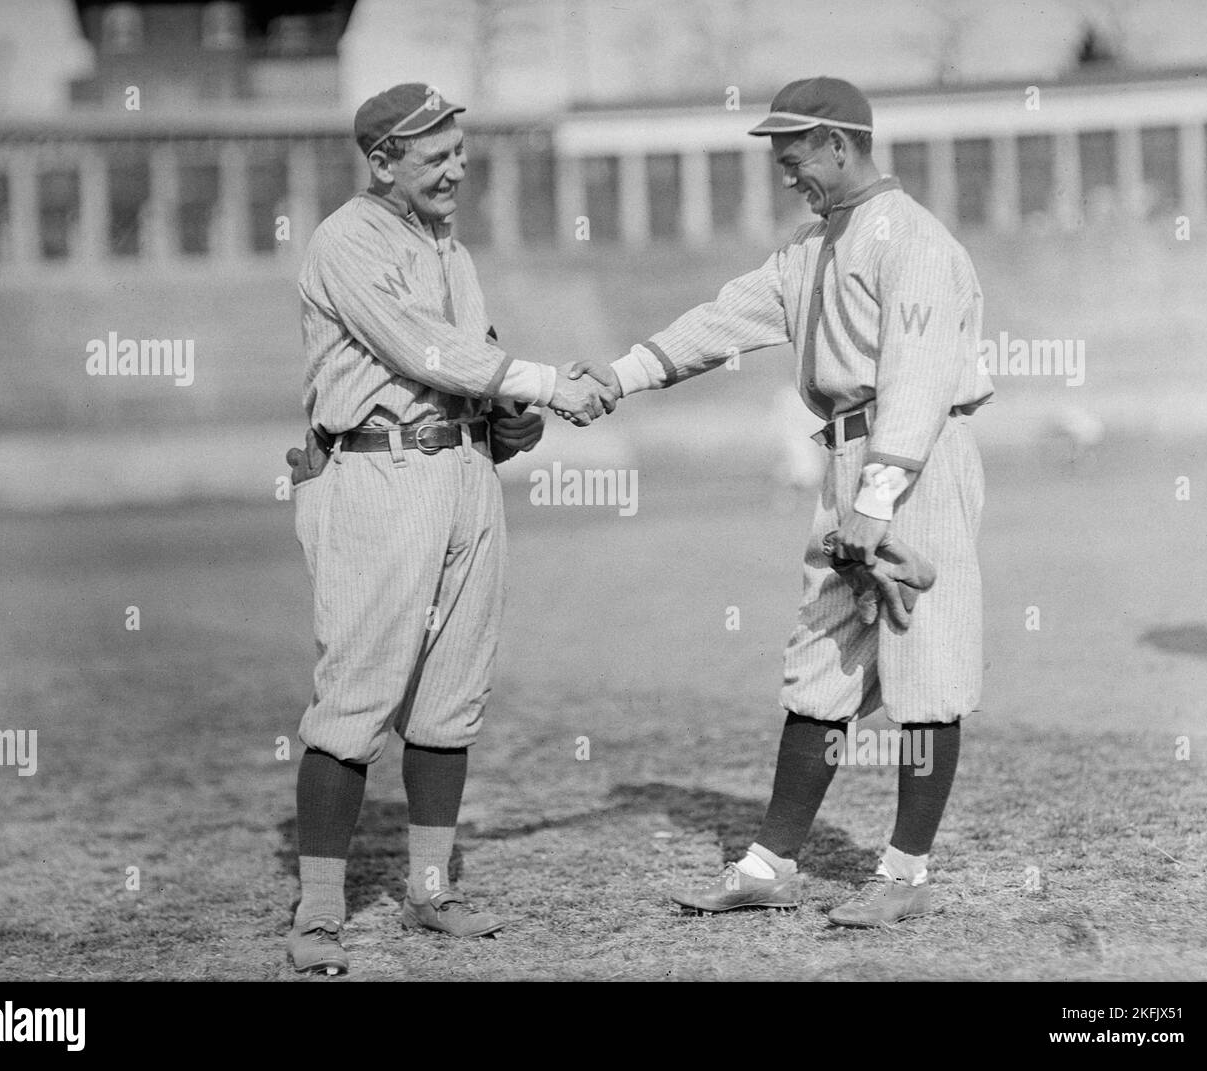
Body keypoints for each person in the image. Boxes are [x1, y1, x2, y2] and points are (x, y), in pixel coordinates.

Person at [570, 76, 994, 927]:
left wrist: (878, 501)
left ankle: (905, 874)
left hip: (913, 462)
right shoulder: (812, 246)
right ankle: (771, 863)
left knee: (924, 668)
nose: (787, 173)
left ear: (840, 143)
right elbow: (724, 318)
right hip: (847, 461)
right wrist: (616, 378)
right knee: (820, 664)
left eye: (795, 157)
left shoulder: (912, 239)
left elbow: (914, 382)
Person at [284, 82, 614, 974]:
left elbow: (473, 361)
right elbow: (420, 351)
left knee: (453, 688)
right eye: (436, 158)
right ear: (382, 161)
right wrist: (544, 380)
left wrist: (516, 414)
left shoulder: (450, 250)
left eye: (460, 153)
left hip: (464, 471)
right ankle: (318, 910)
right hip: (379, 472)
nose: (456, 171)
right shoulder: (345, 242)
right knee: (357, 690)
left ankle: (430, 890)